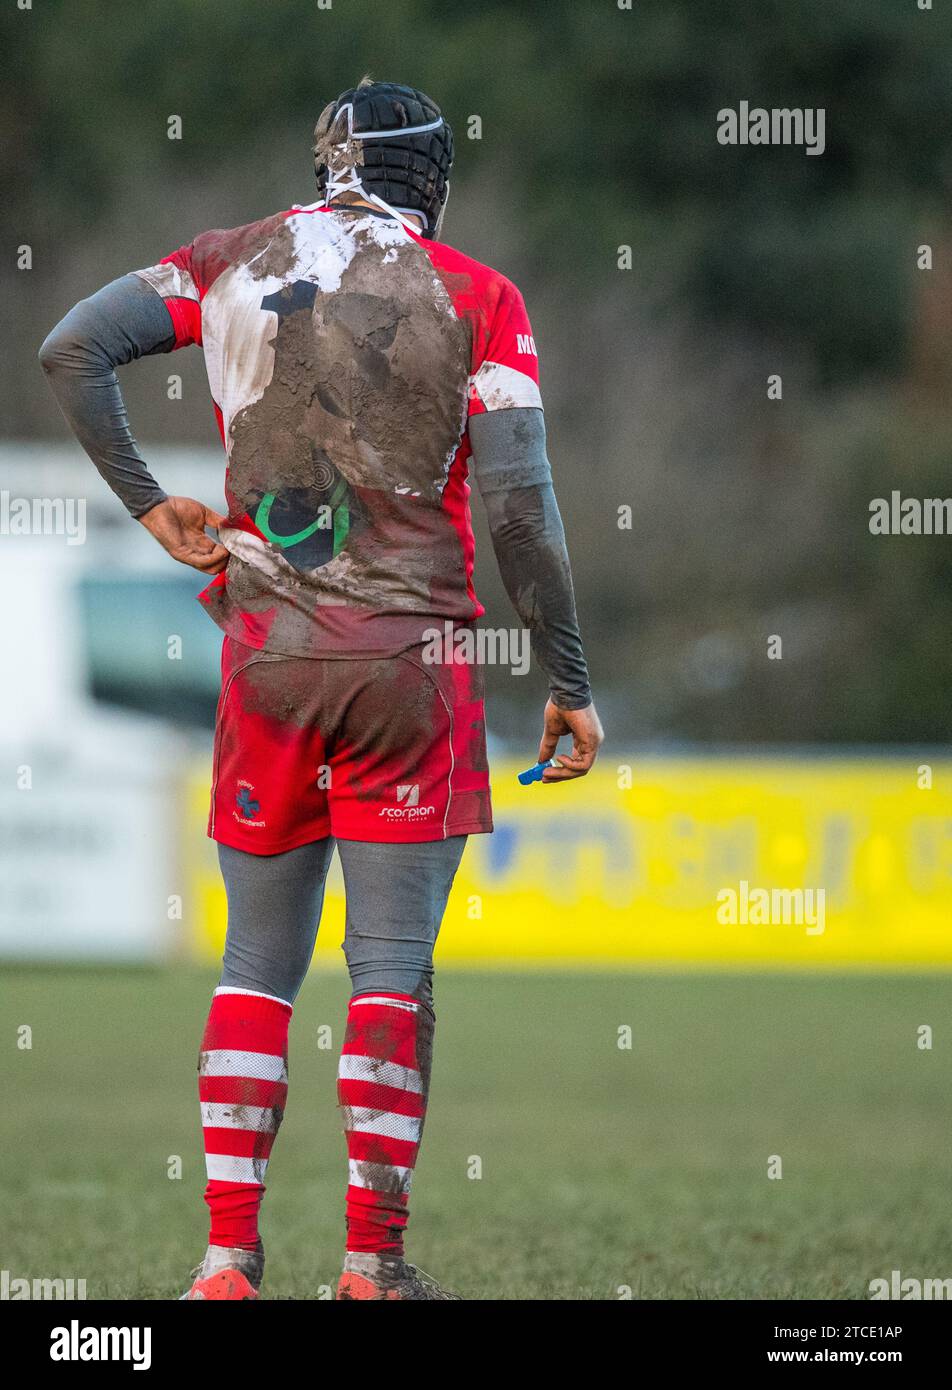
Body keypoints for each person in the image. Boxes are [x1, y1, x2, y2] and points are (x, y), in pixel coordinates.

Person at [39, 78, 603, 1301]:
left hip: (265, 657)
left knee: (255, 965)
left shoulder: (228, 259)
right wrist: (566, 675)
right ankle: (370, 1267)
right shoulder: (477, 297)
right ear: (426, 177)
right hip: (411, 667)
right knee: (389, 972)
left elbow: (71, 347)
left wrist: (148, 504)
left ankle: (228, 1261)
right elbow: (519, 507)